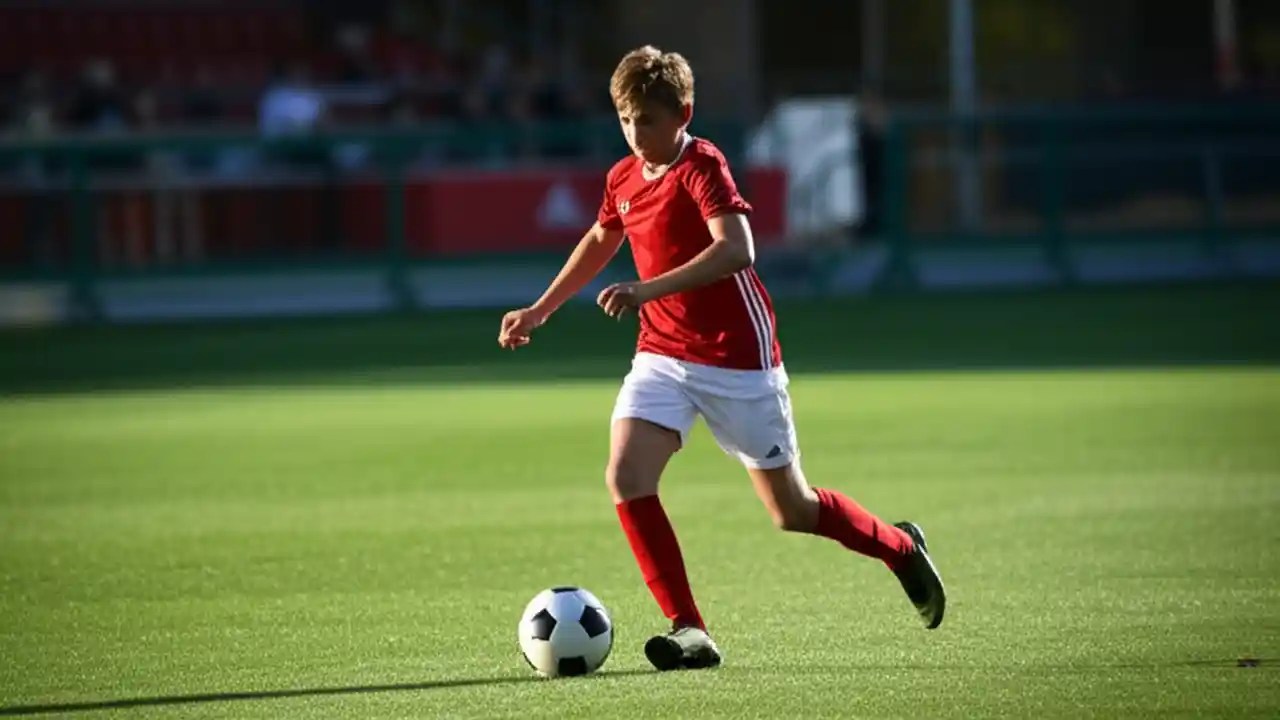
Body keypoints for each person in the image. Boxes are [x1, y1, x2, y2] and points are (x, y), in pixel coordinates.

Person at [498, 46, 946, 672]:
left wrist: (643, 290)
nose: (635, 133)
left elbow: (737, 250)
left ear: (682, 113)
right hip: (661, 354)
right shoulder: (624, 176)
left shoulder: (701, 163)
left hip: (738, 357)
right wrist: (541, 309)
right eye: (625, 120)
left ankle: (899, 547)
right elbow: (604, 235)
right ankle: (690, 630)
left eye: (647, 121)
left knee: (792, 511)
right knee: (626, 477)